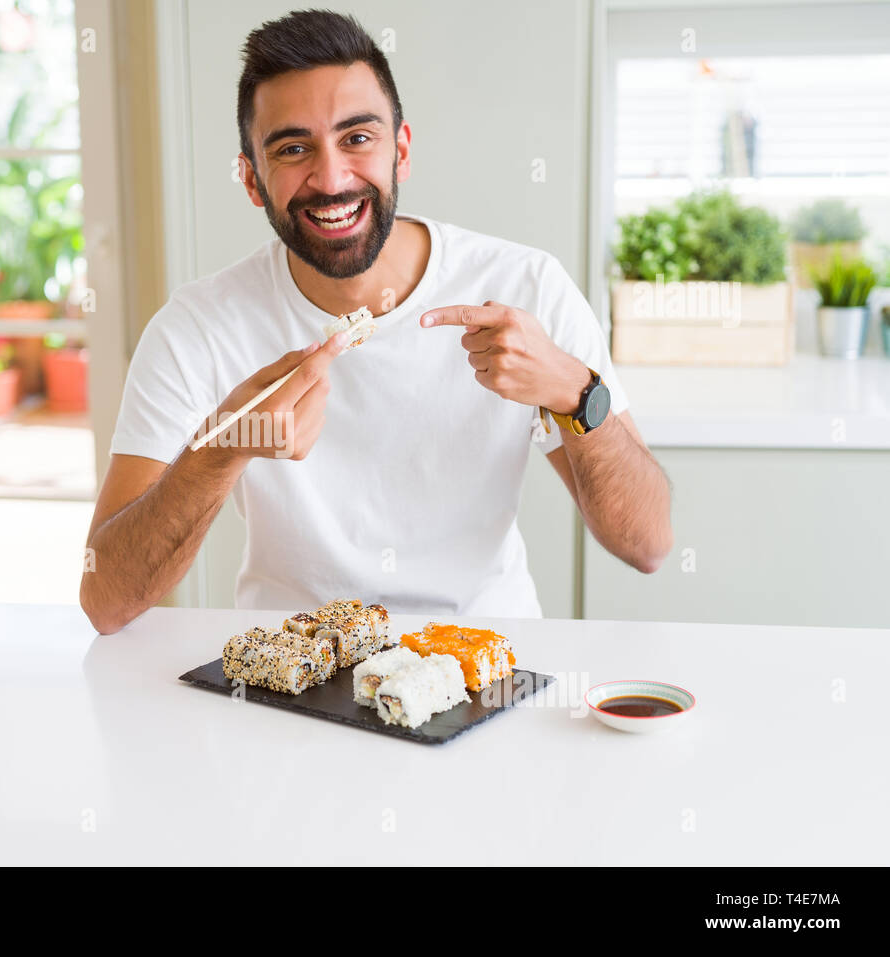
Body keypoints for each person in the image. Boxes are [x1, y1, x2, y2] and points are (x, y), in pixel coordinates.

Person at [81, 9, 672, 635]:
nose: (332, 178)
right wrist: (224, 447)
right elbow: (106, 600)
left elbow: (649, 544)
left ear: (402, 150)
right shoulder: (196, 328)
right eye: (292, 148)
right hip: (295, 681)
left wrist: (575, 391)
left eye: (358, 138)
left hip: (483, 668)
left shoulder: (527, 289)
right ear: (252, 178)